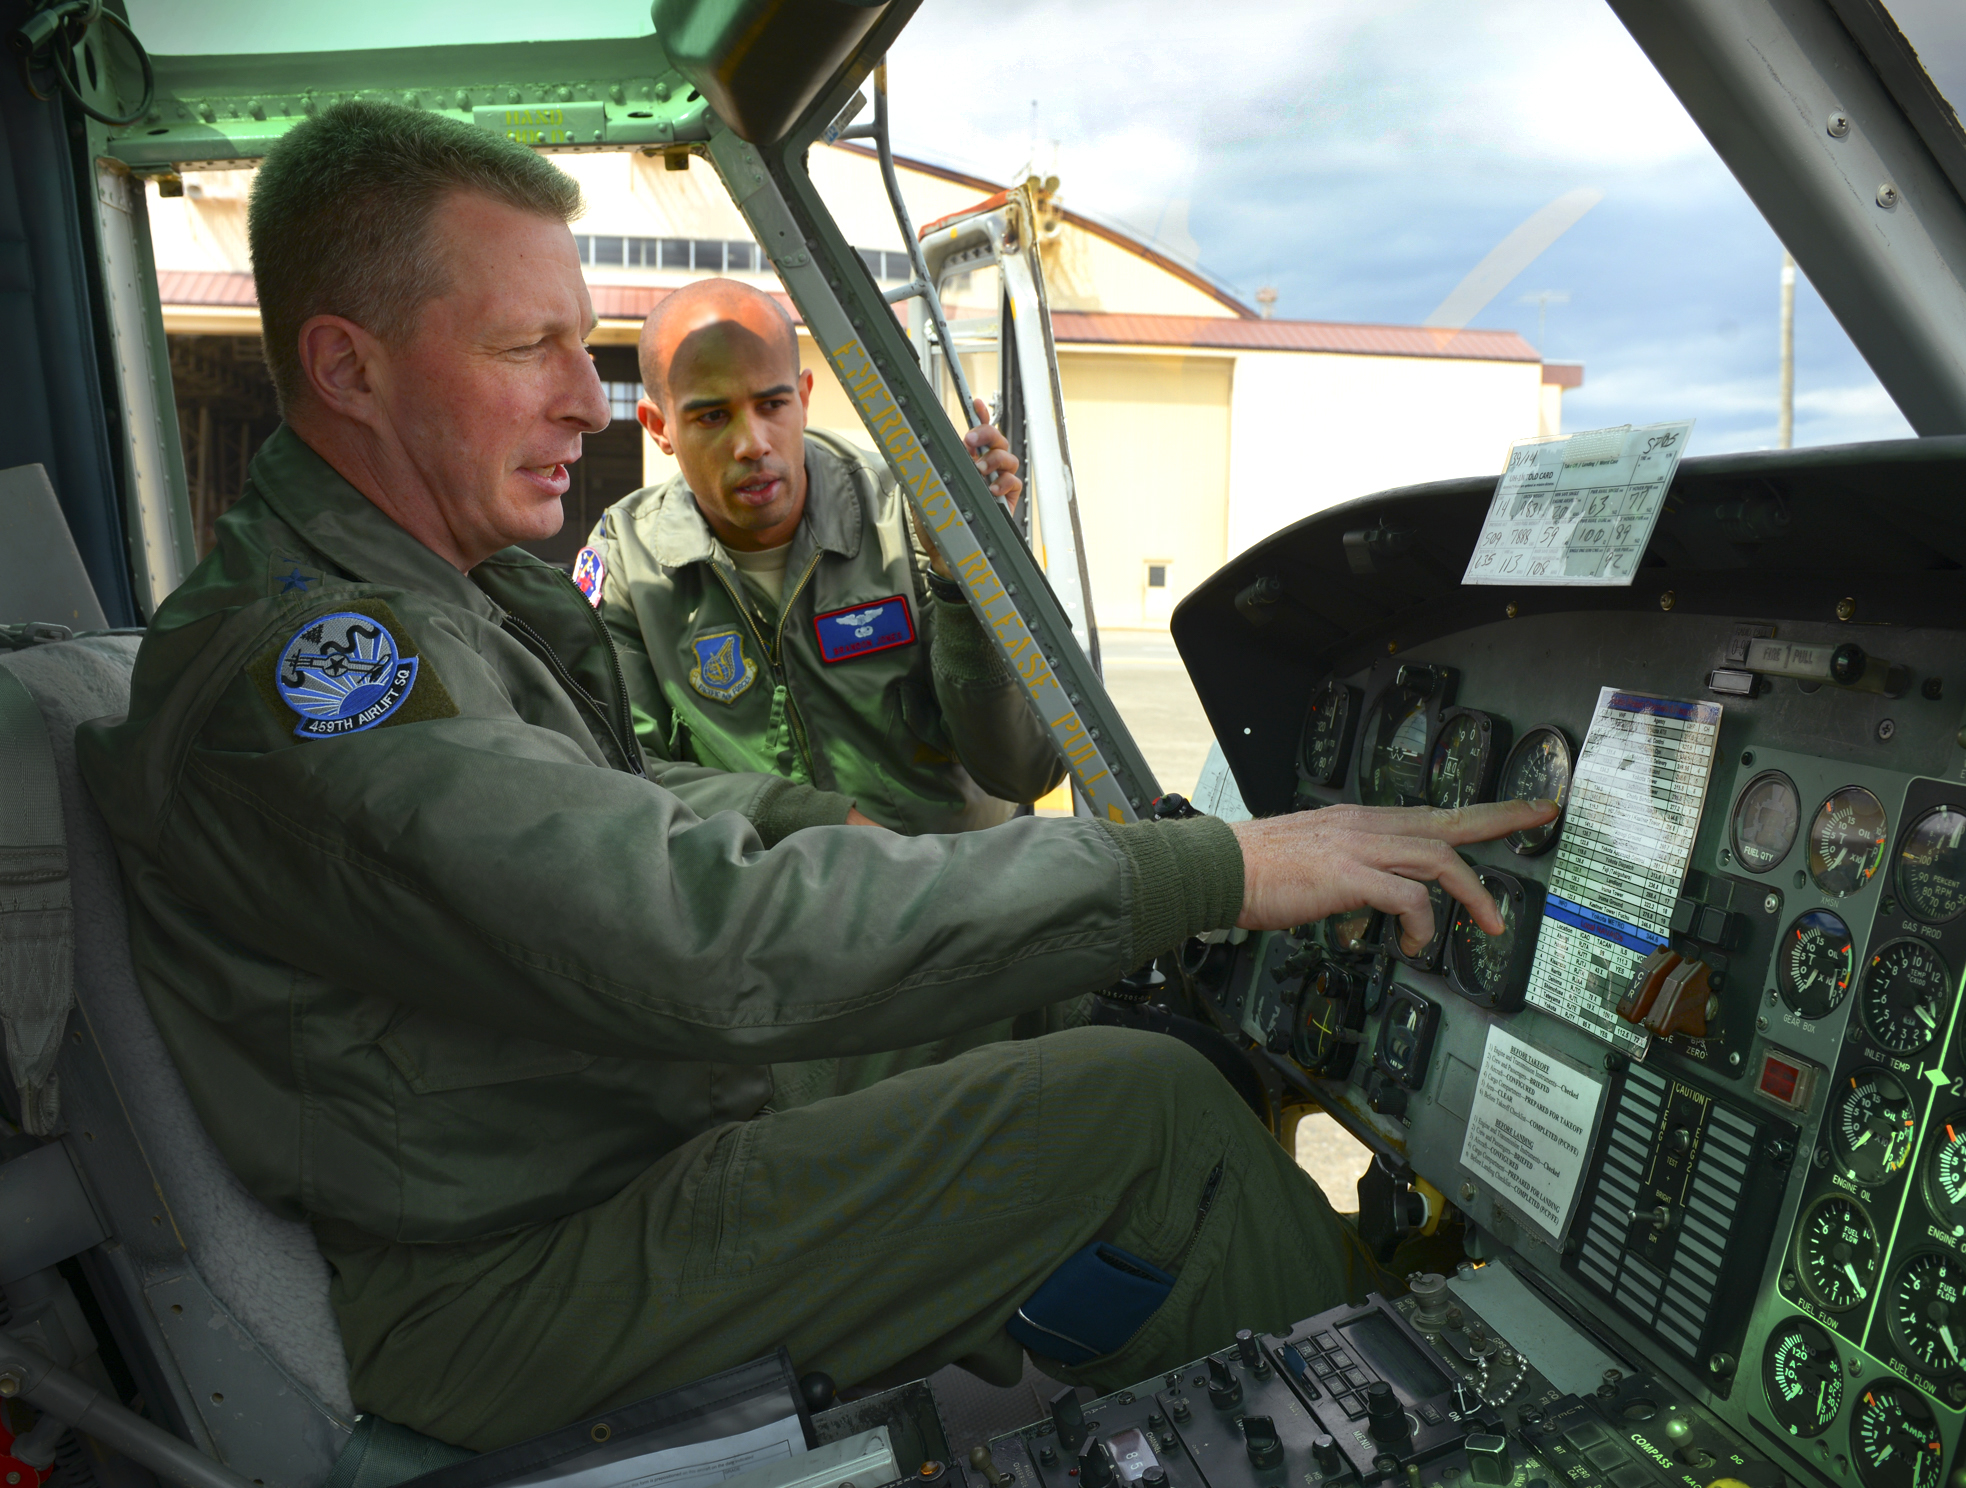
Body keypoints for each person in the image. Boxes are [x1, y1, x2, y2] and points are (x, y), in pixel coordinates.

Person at [78, 101, 1554, 1451]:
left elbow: (622, 796)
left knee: (1062, 1012)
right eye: (524, 349)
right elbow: (681, 930)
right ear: (348, 366)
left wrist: (799, 813)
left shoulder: (449, 597)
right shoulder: (321, 674)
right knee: (1142, 1116)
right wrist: (1219, 871)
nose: (588, 411)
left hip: (574, 1136)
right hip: (501, 1273)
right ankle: (1447, 1447)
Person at [578, 280, 1062, 835]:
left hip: (950, 893)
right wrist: (817, 822)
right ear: (660, 427)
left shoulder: (913, 517)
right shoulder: (627, 560)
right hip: (771, 904)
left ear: (804, 398)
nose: (752, 443)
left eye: (772, 404)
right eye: (712, 416)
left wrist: (960, 584)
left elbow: (1028, 771)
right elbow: (615, 770)